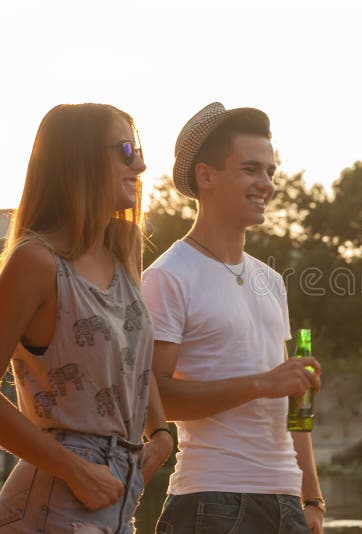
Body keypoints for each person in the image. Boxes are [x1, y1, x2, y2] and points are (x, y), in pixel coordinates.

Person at [142, 102, 325, 534]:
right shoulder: (167, 277)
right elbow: (155, 399)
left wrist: (311, 497)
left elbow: (294, 404)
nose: (267, 184)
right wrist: (263, 383)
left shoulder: (271, 281)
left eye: (271, 172)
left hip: (286, 503)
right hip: (212, 500)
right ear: (206, 176)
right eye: (250, 169)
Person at [0, 104, 173, 533]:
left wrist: (161, 434)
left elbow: (135, 357)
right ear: (79, 159)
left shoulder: (123, 247)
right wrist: (75, 470)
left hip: (118, 493)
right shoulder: (35, 261)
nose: (142, 164)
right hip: (53, 502)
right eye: (126, 150)